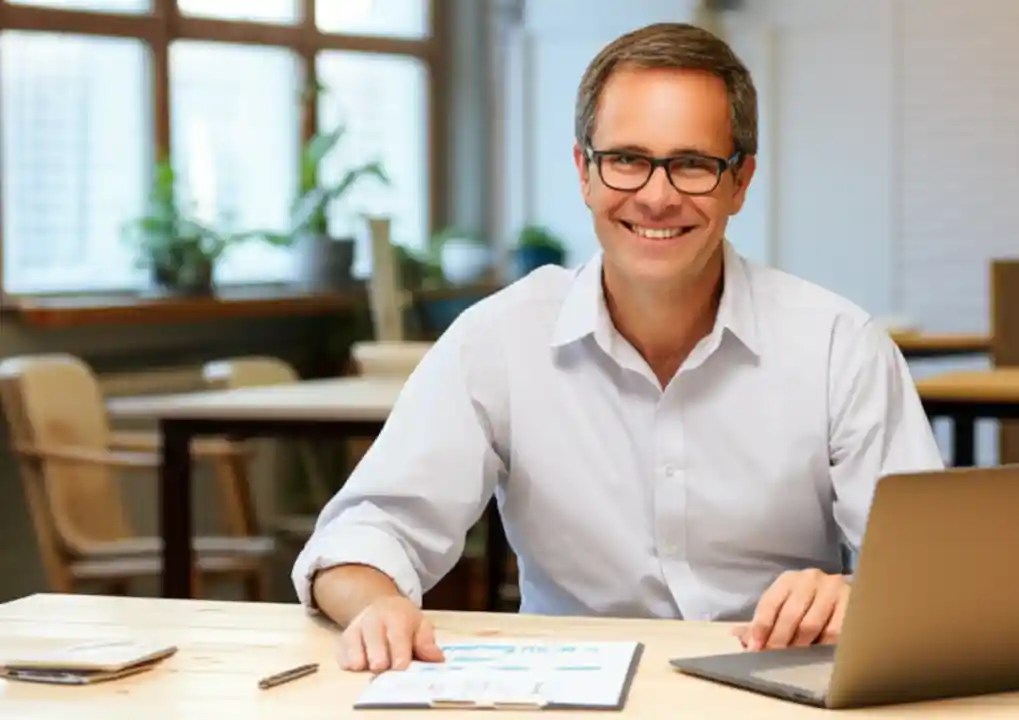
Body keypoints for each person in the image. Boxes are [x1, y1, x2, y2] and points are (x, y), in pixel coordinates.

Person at [292, 21, 943, 674]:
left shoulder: (837, 345)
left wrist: (854, 593)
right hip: (567, 691)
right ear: (584, 171)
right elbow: (363, 532)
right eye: (627, 159)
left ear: (740, 182)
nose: (656, 197)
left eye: (692, 164)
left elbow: (932, 571)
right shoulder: (500, 340)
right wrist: (376, 603)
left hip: (776, 685)